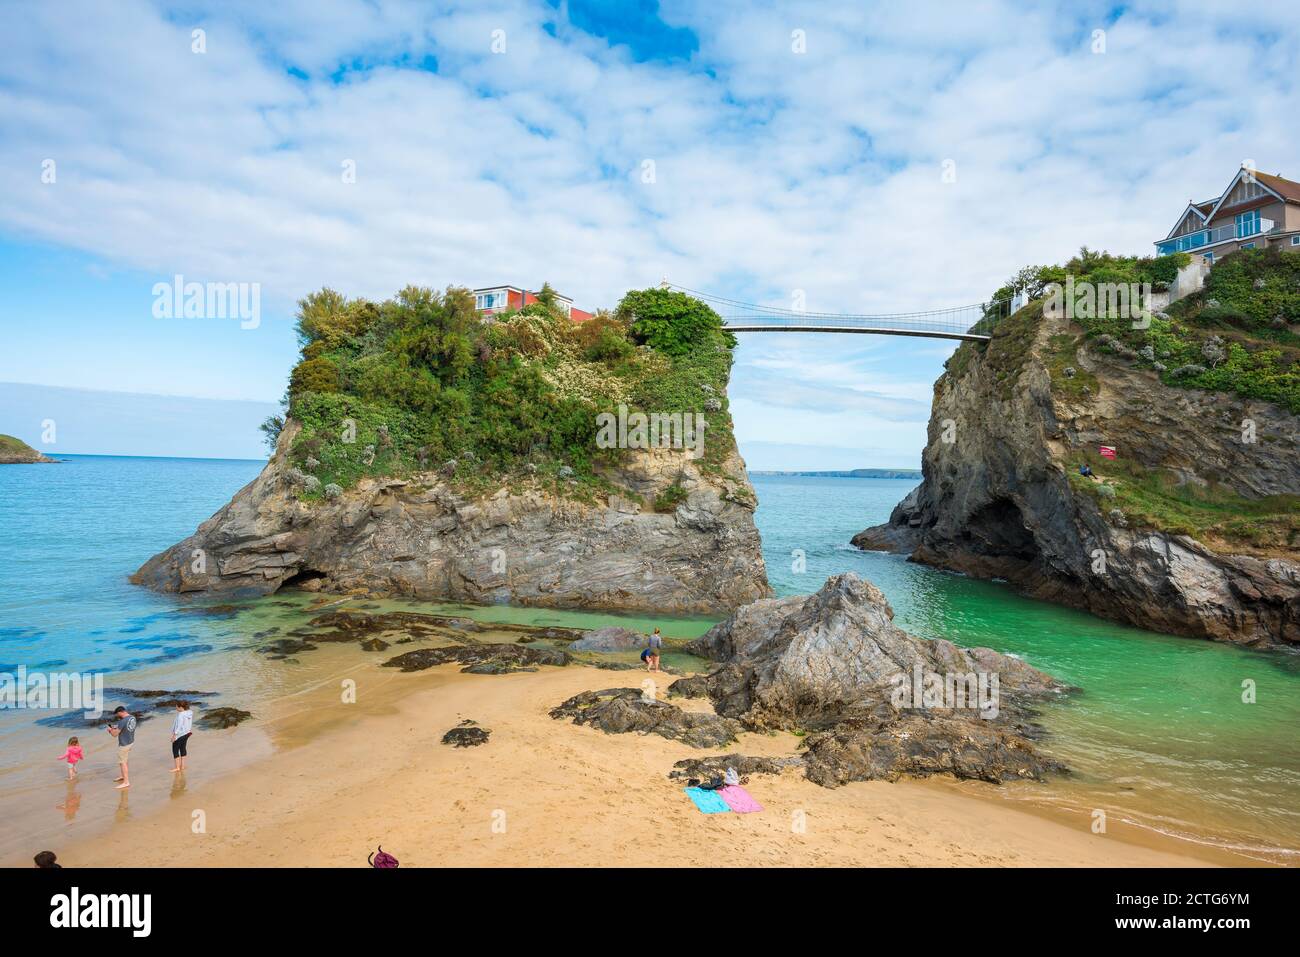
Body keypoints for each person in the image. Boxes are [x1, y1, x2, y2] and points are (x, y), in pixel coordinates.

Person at [107, 706, 137, 790]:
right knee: (125, 760)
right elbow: (126, 727)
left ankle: (126, 782)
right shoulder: (132, 717)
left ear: (120, 712)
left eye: (118, 714)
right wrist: (116, 727)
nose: (118, 716)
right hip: (130, 741)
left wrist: (110, 730)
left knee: (122, 762)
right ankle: (123, 776)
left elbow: (114, 735)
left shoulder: (122, 721)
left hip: (124, 744)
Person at [170, 700, 193, 773]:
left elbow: (179, 726)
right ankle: (182, 766)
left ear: (180, 707)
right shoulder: (189, 713)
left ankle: (177, 768)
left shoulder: (180, 715)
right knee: (183, 748)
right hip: (187, 733)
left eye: (176, 706)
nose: (175, 707)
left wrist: (174, 735)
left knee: (175, 750)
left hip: (180, 734)